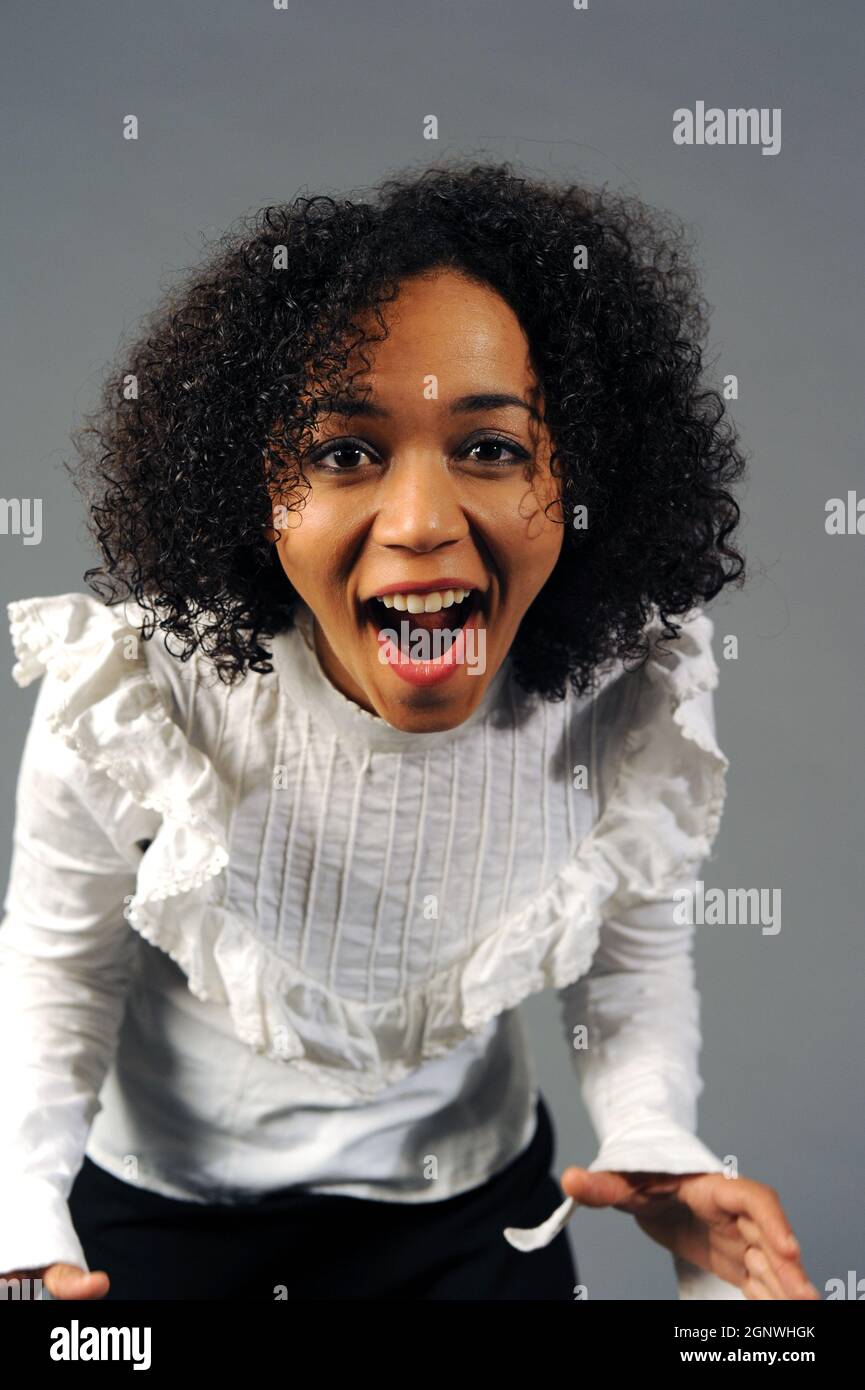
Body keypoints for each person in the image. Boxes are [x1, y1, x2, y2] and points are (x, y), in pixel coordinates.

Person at [0, 162, 819, 1301]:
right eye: (344, 453)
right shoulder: (136, 687)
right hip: (160, 1223)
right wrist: (20, 1212)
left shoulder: (626, 681)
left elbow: (629, 949)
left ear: (577, 474)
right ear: (256, 492)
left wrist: (653, 1143)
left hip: (471, 1214)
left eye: (491, 448)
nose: (424, 521)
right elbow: (59, 965)